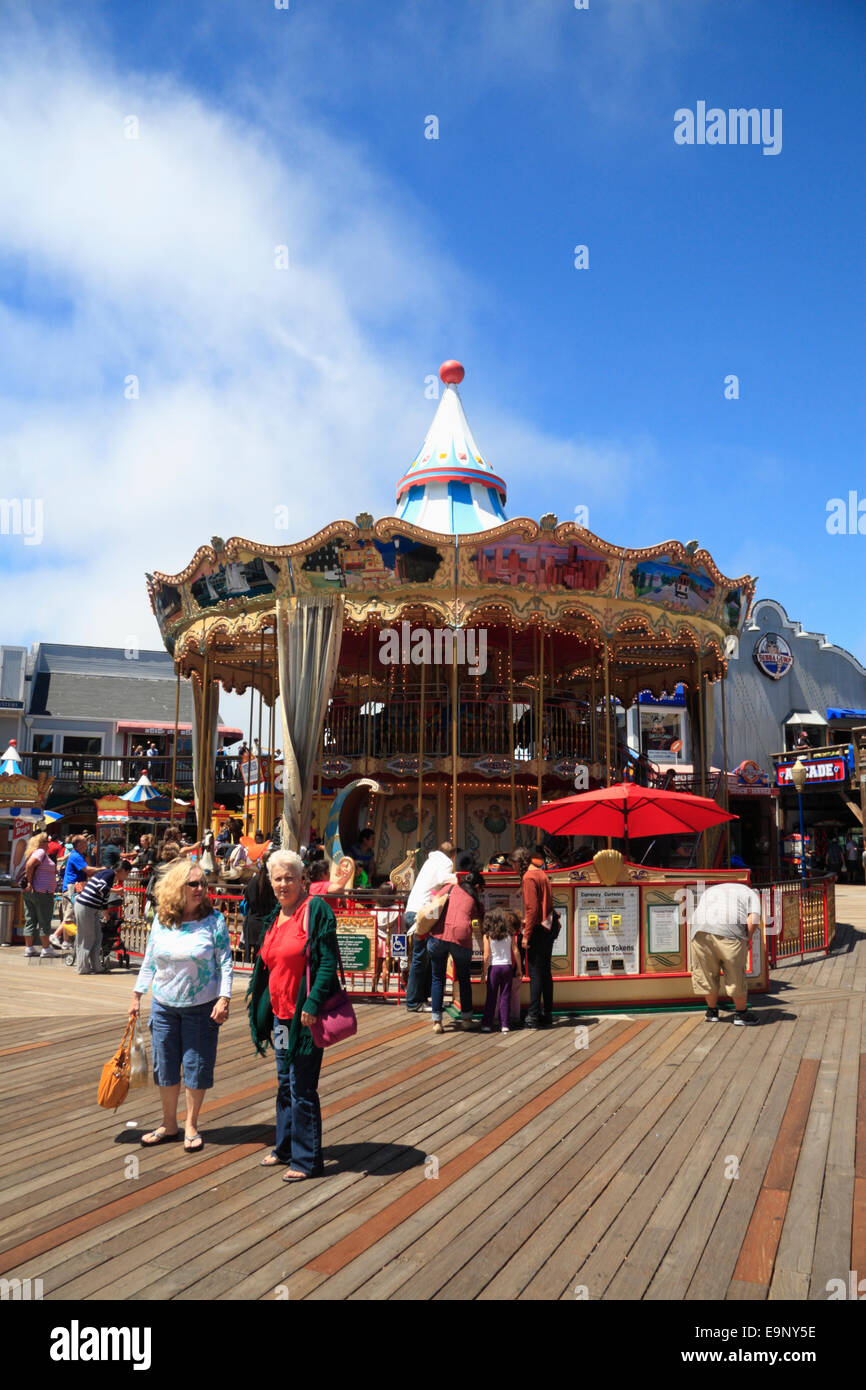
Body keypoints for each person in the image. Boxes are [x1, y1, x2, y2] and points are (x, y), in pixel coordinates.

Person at [130, 859, 232, 1151]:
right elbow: (149, 959)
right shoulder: (163, 920)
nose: (200, 888)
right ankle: (168, 1123)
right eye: (194, 884)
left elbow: (225, 963)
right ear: (178, 887)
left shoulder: (214, 921)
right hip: (164, 1005)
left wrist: (224, 998)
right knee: (165, 1066)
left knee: (196, 1066)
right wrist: (137, 995)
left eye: (203, 883)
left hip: (201, 1006)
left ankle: (191, 1124)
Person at [257, 849, 339, 1181]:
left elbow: (328, 960)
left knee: (301, 1086)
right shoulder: (277, 916)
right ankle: (285, 1146)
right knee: (283, 1083)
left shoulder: (313, 910)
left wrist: (313, 1002)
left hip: (304, 1019)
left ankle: (307, 1160)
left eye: (290, 877)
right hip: (280, 1017)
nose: (283, 883)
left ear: (302, 879)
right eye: (277, 878)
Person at [689, 879, 761, 1026]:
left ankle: (711, 1011)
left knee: (706, 972)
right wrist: (747, 939)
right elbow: (754, 918)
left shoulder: (710, 890)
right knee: (735, 973)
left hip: (699, 930)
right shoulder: (751, 893)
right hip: (730, 931)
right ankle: (741, 1014)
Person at [427, 860, 485, 1034]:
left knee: (437, 978)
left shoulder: (450, 888)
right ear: (476, 886)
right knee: (464, 978)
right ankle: (467, 1019)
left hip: (437, 936)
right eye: (481, 889)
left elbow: (435, 901)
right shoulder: (474, 900)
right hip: (461, 940)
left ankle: (437, 1021)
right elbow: (477, 924)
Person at [403, 842, 458, 1012]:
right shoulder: (446, 862)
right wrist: (458, 878)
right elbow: (443, 879)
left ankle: (422, 998)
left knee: (424, 957)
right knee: (420, 958)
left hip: (412, 911)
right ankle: (413, 1001)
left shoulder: (430, 861)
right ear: (453, 855)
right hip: (422, 914)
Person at [514, 846, 555, 1028]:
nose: (513, 869)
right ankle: (548, 1012)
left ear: (518, 862)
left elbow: (532, 909)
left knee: (535, 972)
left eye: (513, 865)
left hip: (537, 929)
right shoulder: (541, 873)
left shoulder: (528, 877)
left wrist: (526, 935)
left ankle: (532, 1016)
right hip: (549, 926)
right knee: (545, 972)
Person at [73, 859, 132, 974]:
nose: (127, 876)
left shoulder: (110, 876)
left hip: (91, 908)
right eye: (127, 873)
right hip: (85, 907)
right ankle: (83, 968)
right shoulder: (109, 873)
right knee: (87, 938)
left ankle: (96, 966)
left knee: (97, 936)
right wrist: (117, 890)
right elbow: (101, 887)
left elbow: (104, 897)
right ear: (123, 870)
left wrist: (105, 913)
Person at [481, 908, 522, 1034]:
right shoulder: (509, 934)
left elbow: (486, 956)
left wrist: (483, 973)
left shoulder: (487, 935)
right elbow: (516, 951)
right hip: (507, 968)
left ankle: (487, 1024)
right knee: (505, 996)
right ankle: (504, 1024)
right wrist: (519, 969)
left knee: (491, 997)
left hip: (494, 968)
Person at [22, 832, 60, 959]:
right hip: (42, 892)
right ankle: (46, 949)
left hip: (33, 892)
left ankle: (29, 948)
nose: (49, 843)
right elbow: (29, 865)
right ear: (42, 843)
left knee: (30, 920)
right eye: (46, 841)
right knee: (44, 921)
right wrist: (29, 882)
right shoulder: (40, 852)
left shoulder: (36, 853)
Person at [241, 853, 277, 964]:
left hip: (253, 922)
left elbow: (247, 898)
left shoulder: (254, 880)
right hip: (269, 923)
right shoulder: (275, 881)